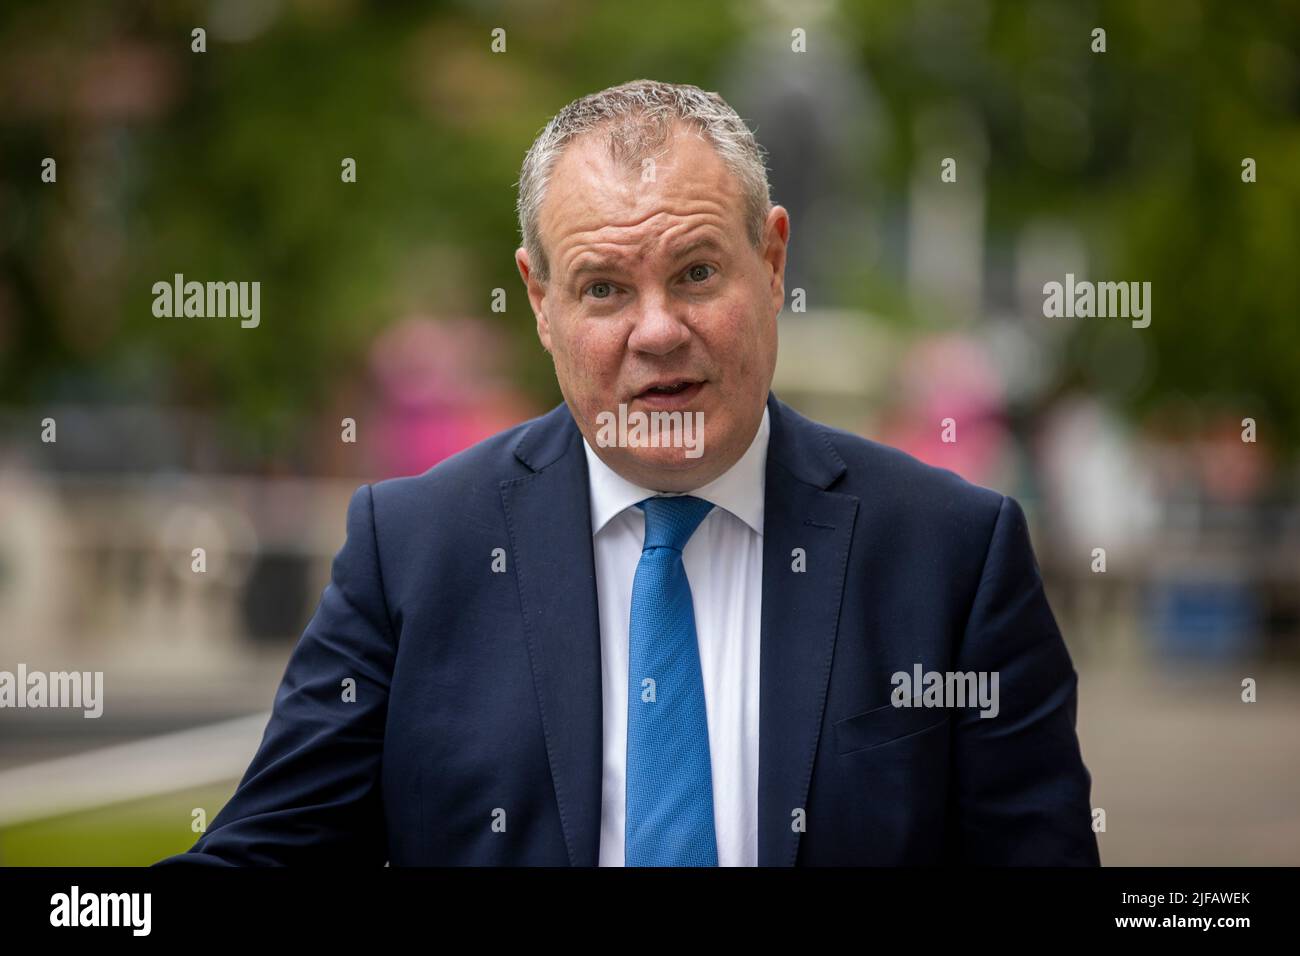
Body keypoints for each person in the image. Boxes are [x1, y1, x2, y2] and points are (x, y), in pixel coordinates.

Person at [156, 79, 1099, 867]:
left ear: (772, 263)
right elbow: (263, 857)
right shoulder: (408, 552)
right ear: (539, 299)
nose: (656, 330)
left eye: (695, 273)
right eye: (604, 287)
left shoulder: (954, 556)